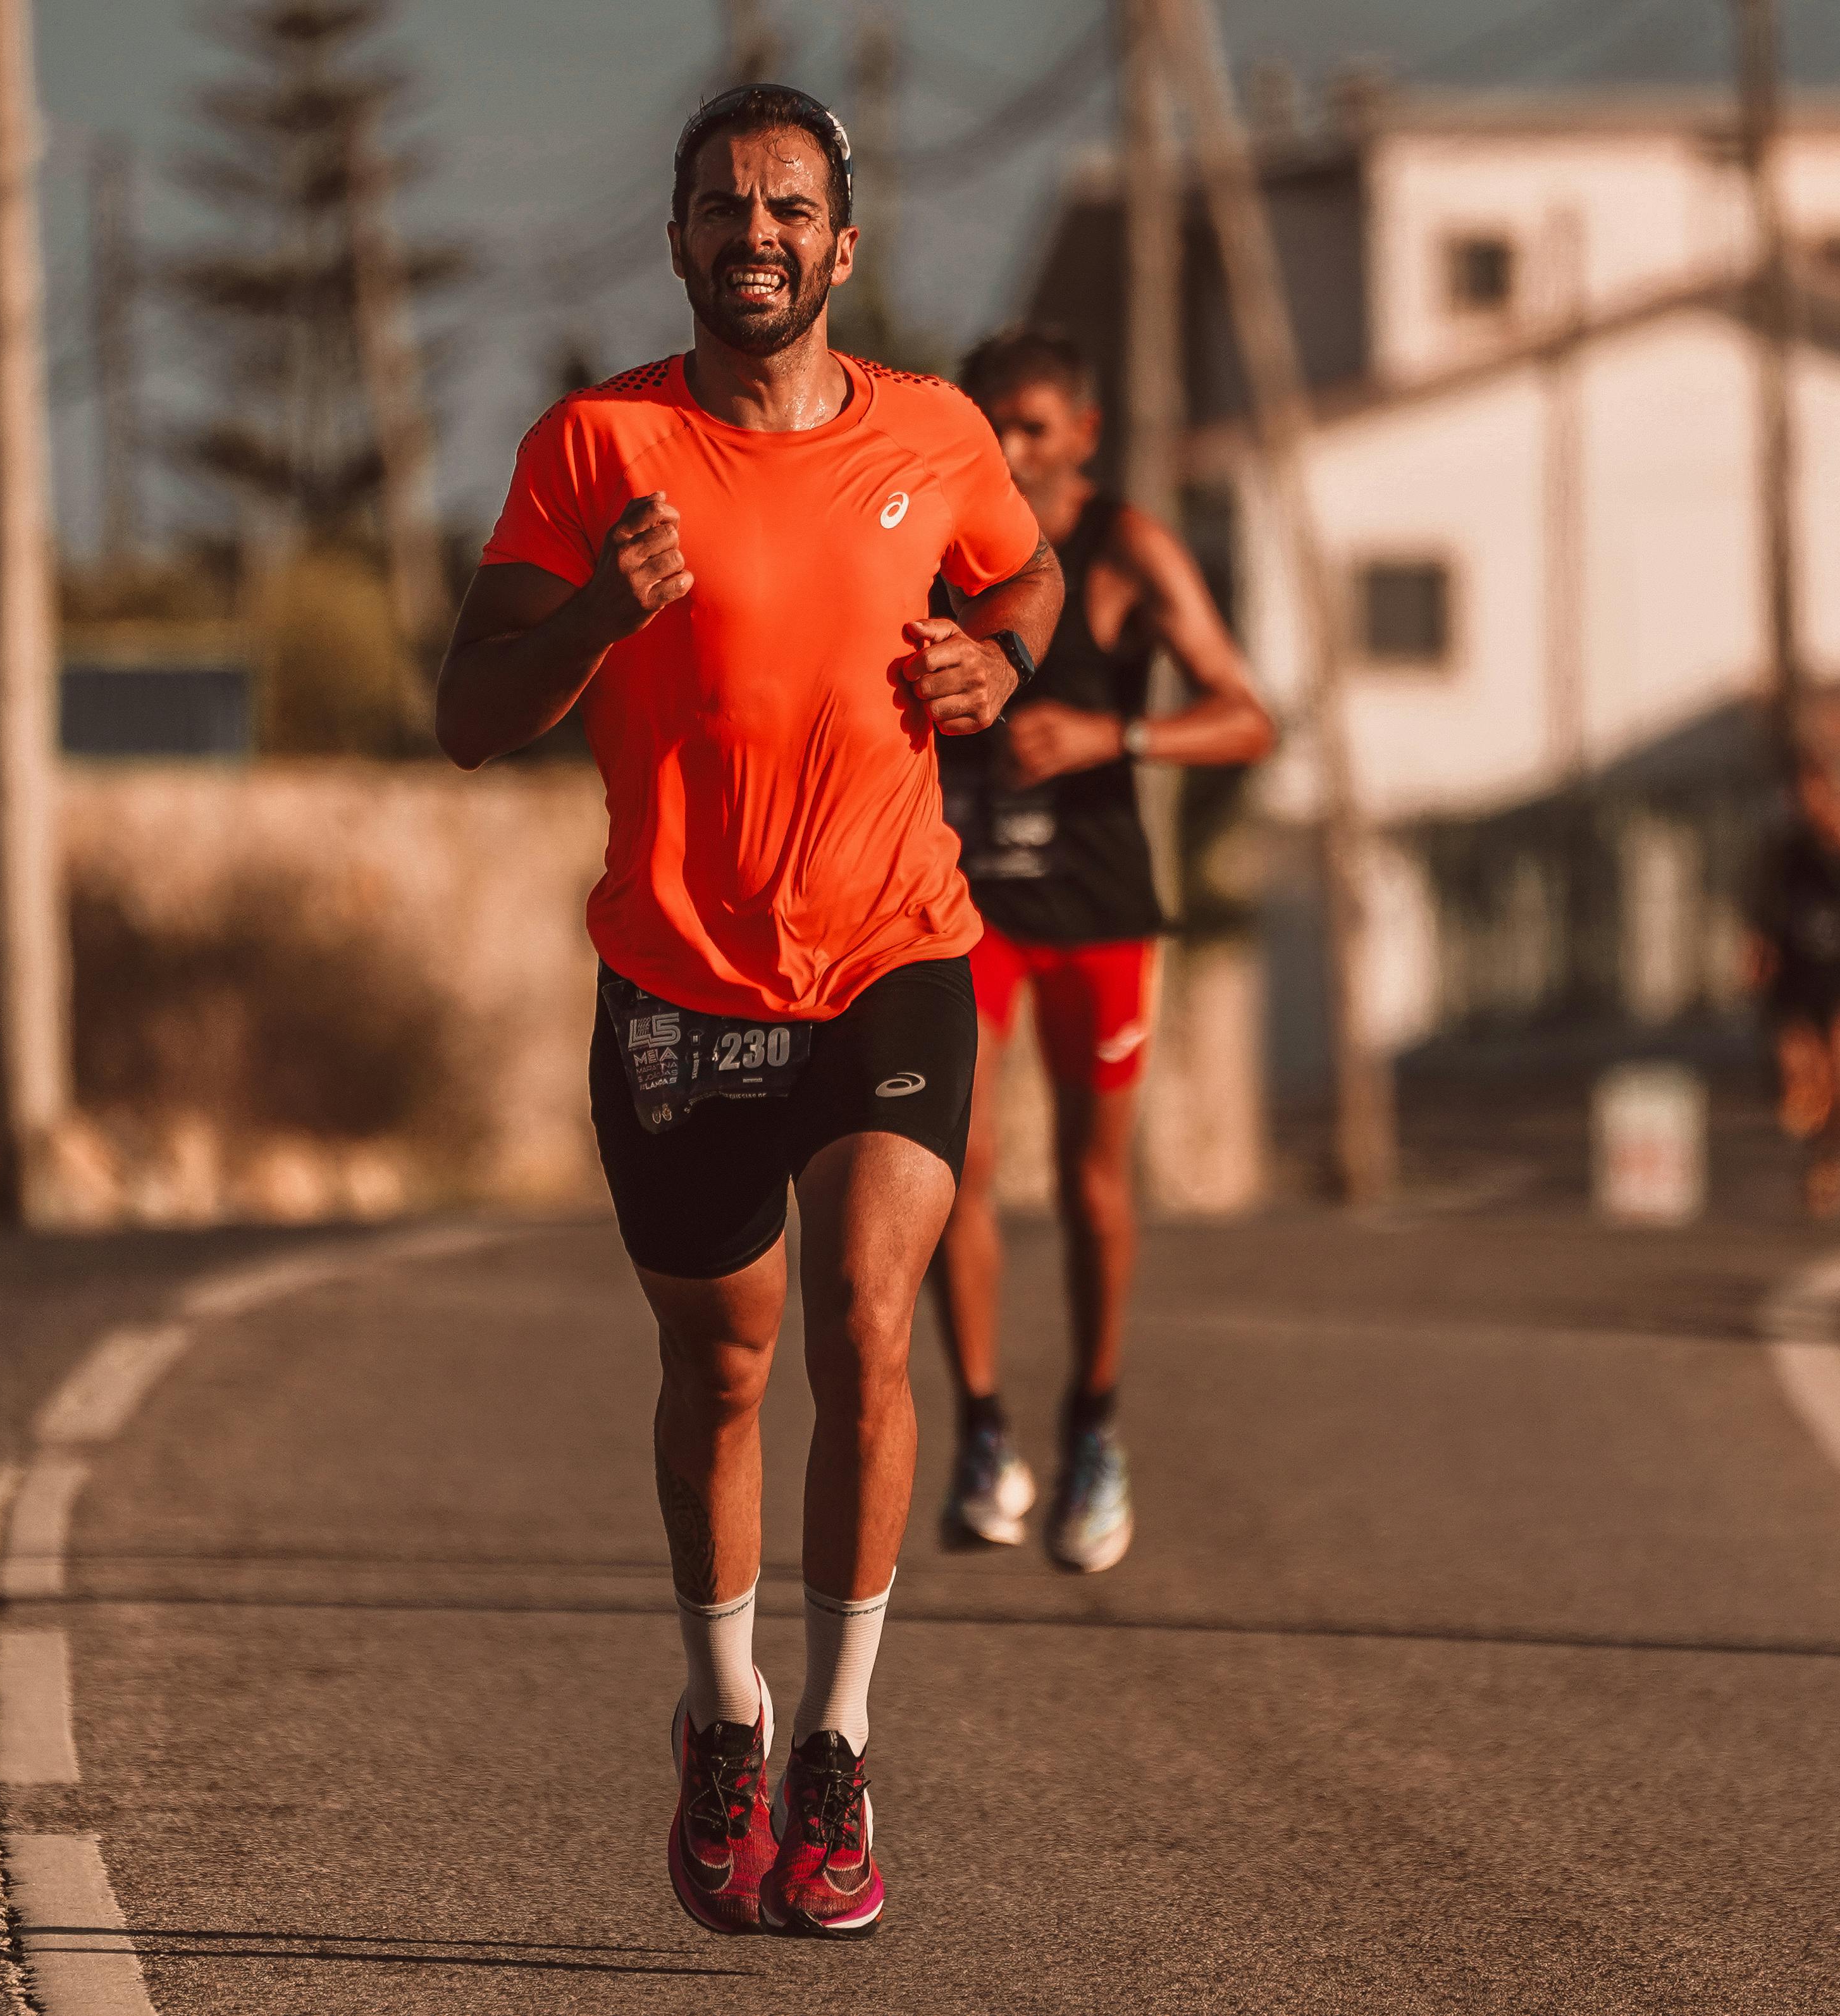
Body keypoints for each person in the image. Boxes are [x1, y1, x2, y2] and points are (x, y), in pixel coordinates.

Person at [435, 85, 1060, 1940]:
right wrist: (591, 622)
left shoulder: (934, 434)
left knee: (871, 1324)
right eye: (725, 206)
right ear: (681, 239)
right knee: (720, 1368)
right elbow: (472, 709)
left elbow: (1024, 567)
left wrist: (999, 657)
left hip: (893, 950)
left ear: (842, 245)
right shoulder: (594, 445)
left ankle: (840, 1751)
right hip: (682, 976)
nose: (757, 234)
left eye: (790, 207)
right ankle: (724, 1717)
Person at [929, 328, 1275, 1573]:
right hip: (958, 904)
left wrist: (1108, 738)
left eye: (1029, 426)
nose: (1007, 449)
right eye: (989, 424)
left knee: (1090, 1185)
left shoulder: (1126, 550)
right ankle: (979, 1430)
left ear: (1081, 432)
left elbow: (1246, 719)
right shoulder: (933, 544)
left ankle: (1092, 1428)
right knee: (951, 1168)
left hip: (1095, 907)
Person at [1746, 751, 1840, 1219]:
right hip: (1795, 982)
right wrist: (1756, 959)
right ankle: (1812, 1130)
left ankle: (1832, 1160)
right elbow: (1761, 914)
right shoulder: (1786, 852)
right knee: (1802, 1080)